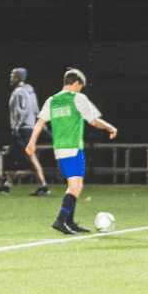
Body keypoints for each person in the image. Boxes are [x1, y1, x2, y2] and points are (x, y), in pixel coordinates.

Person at [27, 68, 117, 235]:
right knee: (74, 187)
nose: (80, 90)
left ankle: (70, 222)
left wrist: (31, 142)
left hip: (60, 148)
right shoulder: (78, 98)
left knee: (76, 186)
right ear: (76, 83)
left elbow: (40, 122)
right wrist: (110, 127)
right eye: (80, 87)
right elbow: (93, 121)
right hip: (73, 148)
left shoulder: (52, 100)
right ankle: (60, 220)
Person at [0, 67, 48, 196]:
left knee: (29, 157)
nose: (10, 78)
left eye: (13, 76)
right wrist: (44, 127)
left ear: (19, 77)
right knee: (13, 156)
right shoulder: (31, 92)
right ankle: (6, 185)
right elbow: (37, 111)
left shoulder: (18, 92)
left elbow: (20, 112)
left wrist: (16, 128)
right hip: (29, 128)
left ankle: (43, 186)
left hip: (22, 129)